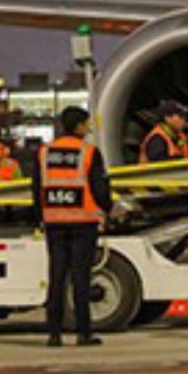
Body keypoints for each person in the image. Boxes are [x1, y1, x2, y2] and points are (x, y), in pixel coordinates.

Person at [31, 107, 115, 347]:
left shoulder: (44, 152)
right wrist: (108, 209)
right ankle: (83, 332)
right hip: (82, 222)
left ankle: (54, 333)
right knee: (80, 277)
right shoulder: (88, 152)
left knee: (57, 277)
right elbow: (99, 189)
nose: (89, 128)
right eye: (87, 124)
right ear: (78, 126)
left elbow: (36, 188)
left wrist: (40, 216)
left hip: (54, 221)